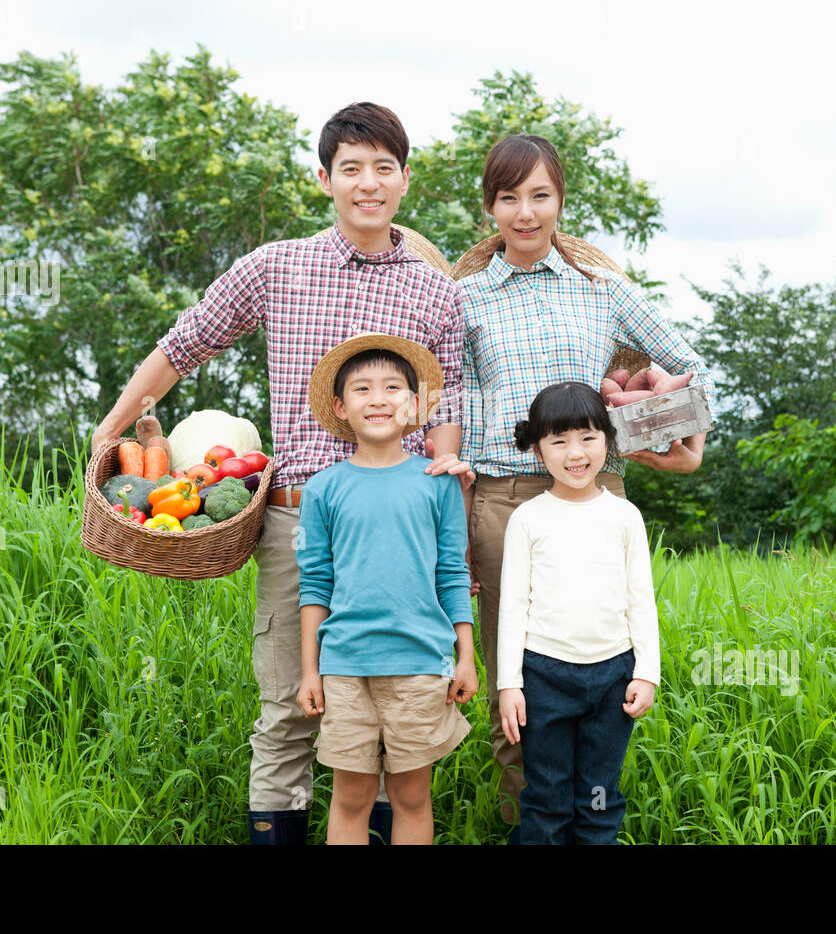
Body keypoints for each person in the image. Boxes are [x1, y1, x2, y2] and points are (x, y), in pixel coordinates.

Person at [89, 102, 474, 845]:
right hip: (301, 523)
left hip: (403, 521)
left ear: (404, 179)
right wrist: (113, 426)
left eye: (384, 169)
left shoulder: (436, 289)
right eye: (352, 169)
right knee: (292, 706)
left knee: (398, 712)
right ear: (325, 178)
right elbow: (188, 340)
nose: (369, 184)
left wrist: (444, 480)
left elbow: (445, 396)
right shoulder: (277, 267)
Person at [436, 133, 717, 832]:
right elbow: (454, 413)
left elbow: (691, 371)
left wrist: (680, 448)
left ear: (561, 199)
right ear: (490, 206)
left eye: (540, 195)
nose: (525, 212)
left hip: (597, 502)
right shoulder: (463, 300)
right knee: (518, 676)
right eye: (509, 198)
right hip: (504, 500)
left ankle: (592, 814)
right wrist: (459, 523)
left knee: (600, 653)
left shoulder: (604, 291)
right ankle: (528, 824)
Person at [295, 333, 477, 844]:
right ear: (340, 406)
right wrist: (311, 670)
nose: (378, 399)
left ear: (415, 404)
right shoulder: (323, 488)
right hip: (346, 666)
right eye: (362, 389)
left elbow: (452, 573)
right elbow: (315, 584)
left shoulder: (437, 480)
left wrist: (465, 656)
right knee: (351, 798)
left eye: (394, 387)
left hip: (422, 664)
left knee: (412, 797)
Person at [497, 381, 658, 844]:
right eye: (559, 440)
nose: (575, 453)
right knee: (546, 795)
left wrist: (647, 673)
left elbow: (640, 599)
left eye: (588, 437)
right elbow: (512, 607)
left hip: (613, 677)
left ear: (607, 440)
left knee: (600, 793)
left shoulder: (625, 515)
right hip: (543, 676)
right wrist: (510, 684)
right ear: (537, 448)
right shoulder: (528, 518)